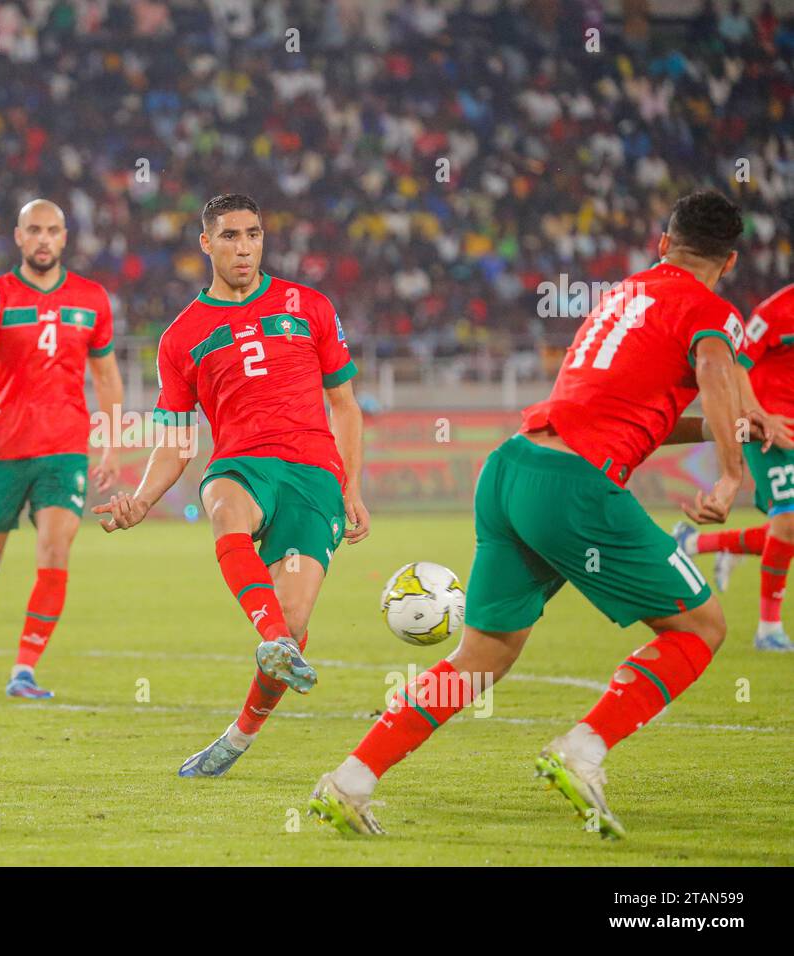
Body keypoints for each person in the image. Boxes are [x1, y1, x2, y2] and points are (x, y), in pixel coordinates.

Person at [309, 190, 754, 839]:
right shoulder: (707, 310)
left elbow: (634, 417)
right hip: (572, 487)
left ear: (664, 243)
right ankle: (585, 746)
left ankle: (350, 779)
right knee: (700, 626)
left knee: (481, 654)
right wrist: (731, 470)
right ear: (731, 260)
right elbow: (714, 363)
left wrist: (732, 424)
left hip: (512, 469)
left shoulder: (625, 295)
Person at [93, 193, 368, 777]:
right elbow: (175, 439)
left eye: (253, 234)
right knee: (222, 505)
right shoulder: (181, 337)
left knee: (294, 622)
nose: (243, 247)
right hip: (242, 464)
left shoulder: (310, 305)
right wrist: (142, 499)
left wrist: (354, 488)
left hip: (315, 473)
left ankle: (237, 738)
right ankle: (269, 635)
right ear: (206, 243)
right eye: (230, 236)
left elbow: (344, 405)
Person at [0, 199, 123, 699]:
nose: (44, 239)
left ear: (64, 237)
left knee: (55, 550)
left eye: (53, 230)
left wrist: (110, 446)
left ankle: (23, 670)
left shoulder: (91, 298)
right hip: (2, 449)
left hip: (64, 447)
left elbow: (107, 378)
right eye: (34, 230)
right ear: (19, 237)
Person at [675, 281, 794, 650]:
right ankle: (768, 630)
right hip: (770, 428)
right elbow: (739, 365)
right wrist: (761, 416)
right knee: (789, 522)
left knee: (785, 529)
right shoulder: (775, 311)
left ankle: (693, 542)